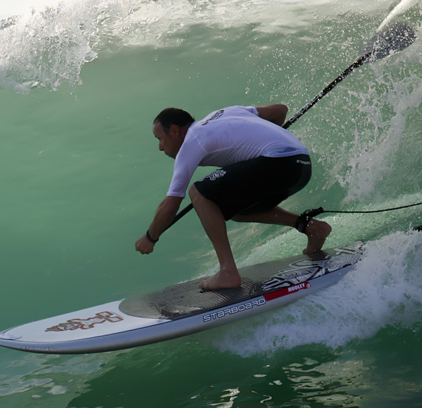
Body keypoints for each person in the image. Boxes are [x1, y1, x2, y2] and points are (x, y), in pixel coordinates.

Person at [134, 104, 332, 291]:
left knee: (198, 192)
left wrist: (151, 237)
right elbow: (280, 110)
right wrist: (260, 139)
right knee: (233, 209)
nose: (160, 147)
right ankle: (311, 227)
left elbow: (171, 204)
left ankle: (228, 272)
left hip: (279, 164)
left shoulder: (192, 142)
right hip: (301, 165)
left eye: (159, 138)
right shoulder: (224, 113)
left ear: (175, 131)